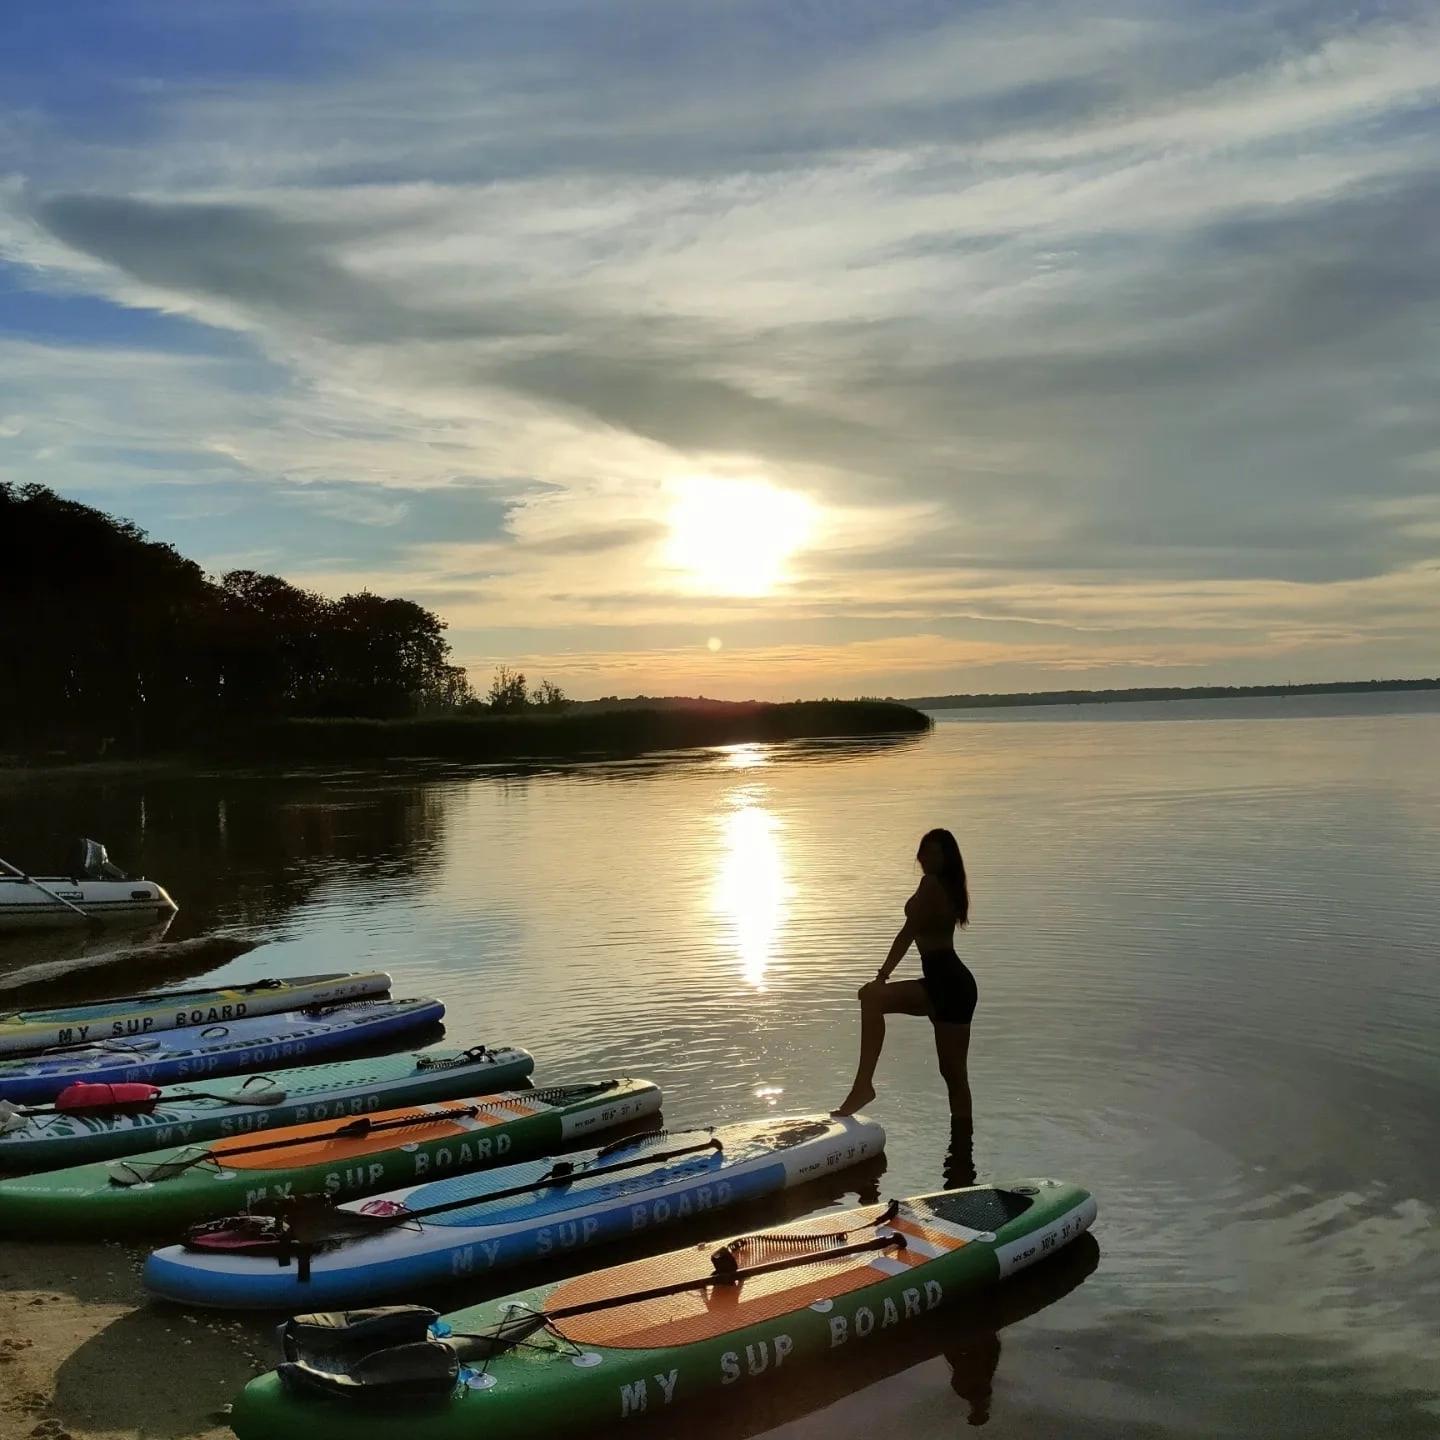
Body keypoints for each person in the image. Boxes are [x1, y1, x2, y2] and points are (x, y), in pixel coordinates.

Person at [833, 828, 976, 1117]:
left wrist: (881, 977)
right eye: (923, 850)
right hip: (952, 984)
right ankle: (962, 1147)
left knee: (874, 999)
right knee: (955, 1078)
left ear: (946, 858)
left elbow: (907, 934)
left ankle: (863, 1087)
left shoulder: (933, 885)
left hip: (948, 983)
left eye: (933, 852)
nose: (924, 857)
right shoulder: (946, 886)